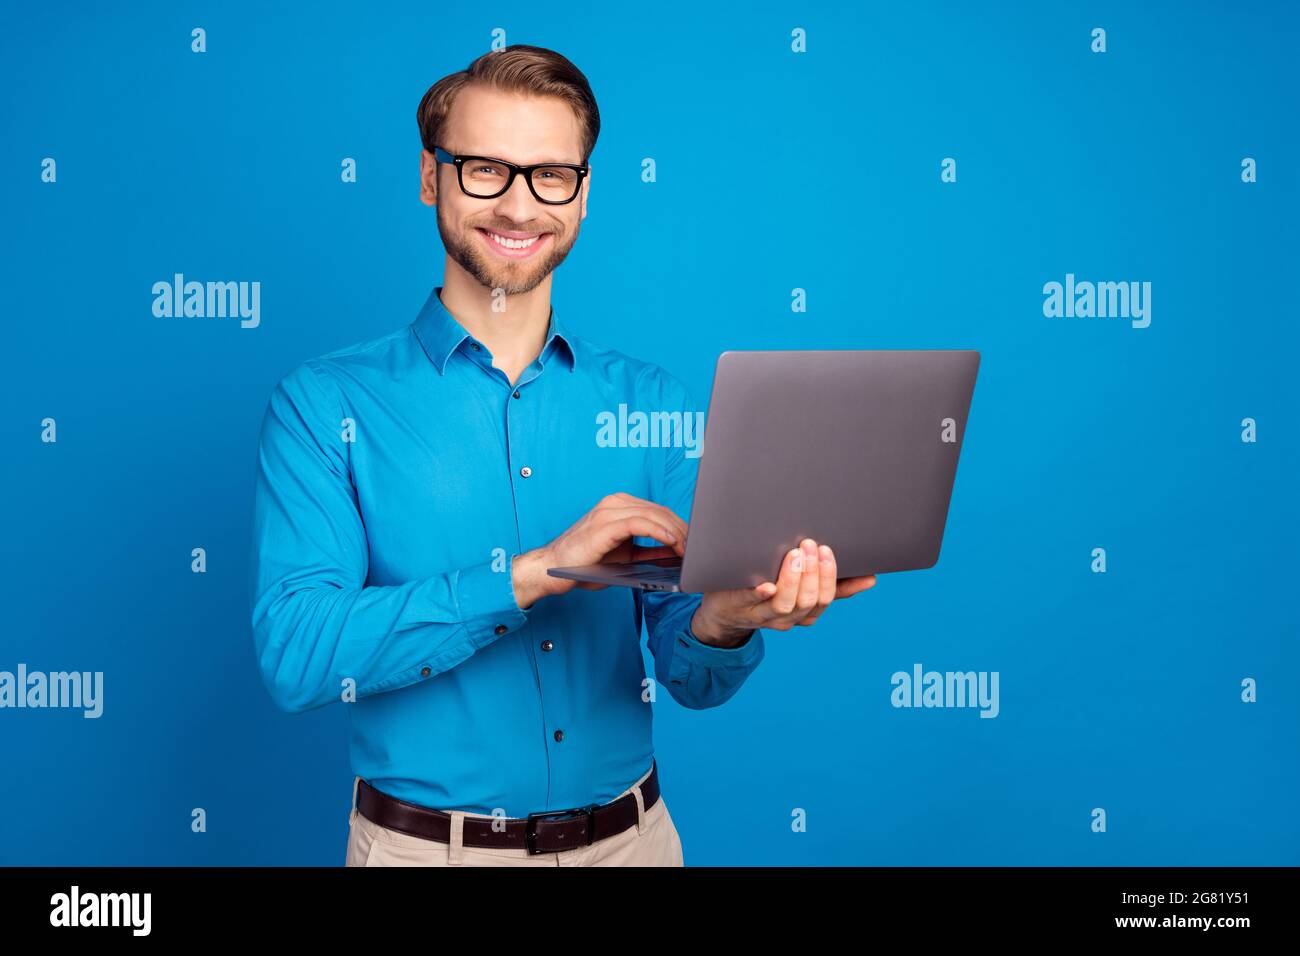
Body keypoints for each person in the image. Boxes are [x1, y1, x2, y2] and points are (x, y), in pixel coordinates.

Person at [249, 44, 877, 867]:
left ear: (582, 198)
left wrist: (726, 621)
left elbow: (691, 677)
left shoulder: (652, 405)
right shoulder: (324, 404)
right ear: (430, 177)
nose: (518, 207)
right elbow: (297, 656)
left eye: (550, 175)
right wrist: (535, 573)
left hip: (634, 846)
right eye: (484, 169)